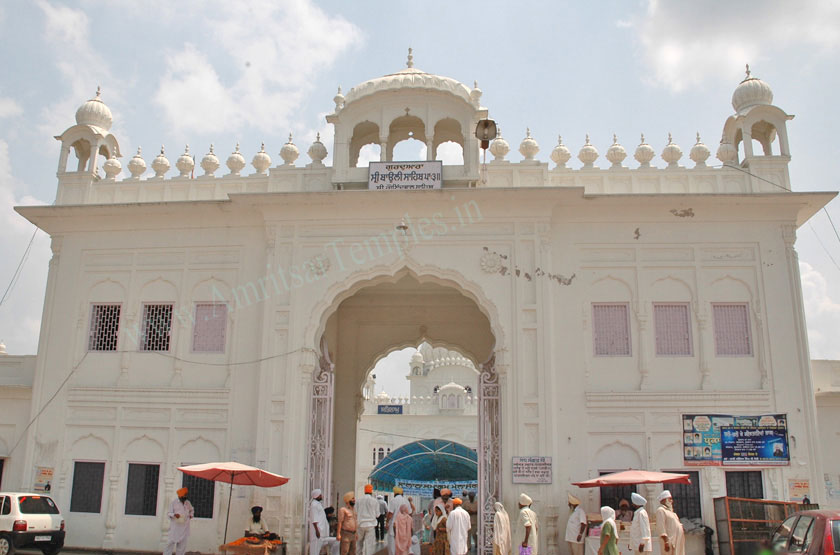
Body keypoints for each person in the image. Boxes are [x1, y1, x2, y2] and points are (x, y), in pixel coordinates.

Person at [164, 487, 194, 555]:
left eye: (185, 496)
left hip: (185, 528)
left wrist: (191, 515)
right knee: (169, 544)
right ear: (179, 496)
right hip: (175, 528)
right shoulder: (174, 503)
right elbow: (169, 513)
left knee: (182, 548)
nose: (184, 498)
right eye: (183, 496)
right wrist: (174, 515)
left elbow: (192, 510)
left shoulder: (188, 503)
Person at [654, 491, 685, 555]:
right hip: (669, 541)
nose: (671, 501)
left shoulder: (671, 512)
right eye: (669, 499)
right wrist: (666, 541)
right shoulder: (661, 510)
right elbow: (661, 527)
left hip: (677, 540)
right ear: (664, 500)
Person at [310, 489, 339, 555]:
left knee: (336, 541)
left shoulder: (318, 504)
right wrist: (317, 531)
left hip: (323, 533)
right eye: (320, 495)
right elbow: (314, 520)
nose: (321, 496)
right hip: (318, 533)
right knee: (315, 551)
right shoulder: (314, 505)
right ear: (317, 496)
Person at [387, 487, 412, 555]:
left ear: (394, 493)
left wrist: (386, 522)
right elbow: (410, 513)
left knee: (392, 543)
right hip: (404, 526)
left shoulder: (393, 501)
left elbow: (390, 514)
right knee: (402, 542)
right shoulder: (406, 501)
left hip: (394, 525)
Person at [357, 485, 379, 555]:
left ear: (364, 491)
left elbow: (355, 512)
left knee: (358, 543)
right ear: (371, 491)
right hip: (370, 525)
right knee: (369, 545)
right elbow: (377, 514)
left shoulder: (358, 500)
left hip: (360, 524)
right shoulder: (374, 501)